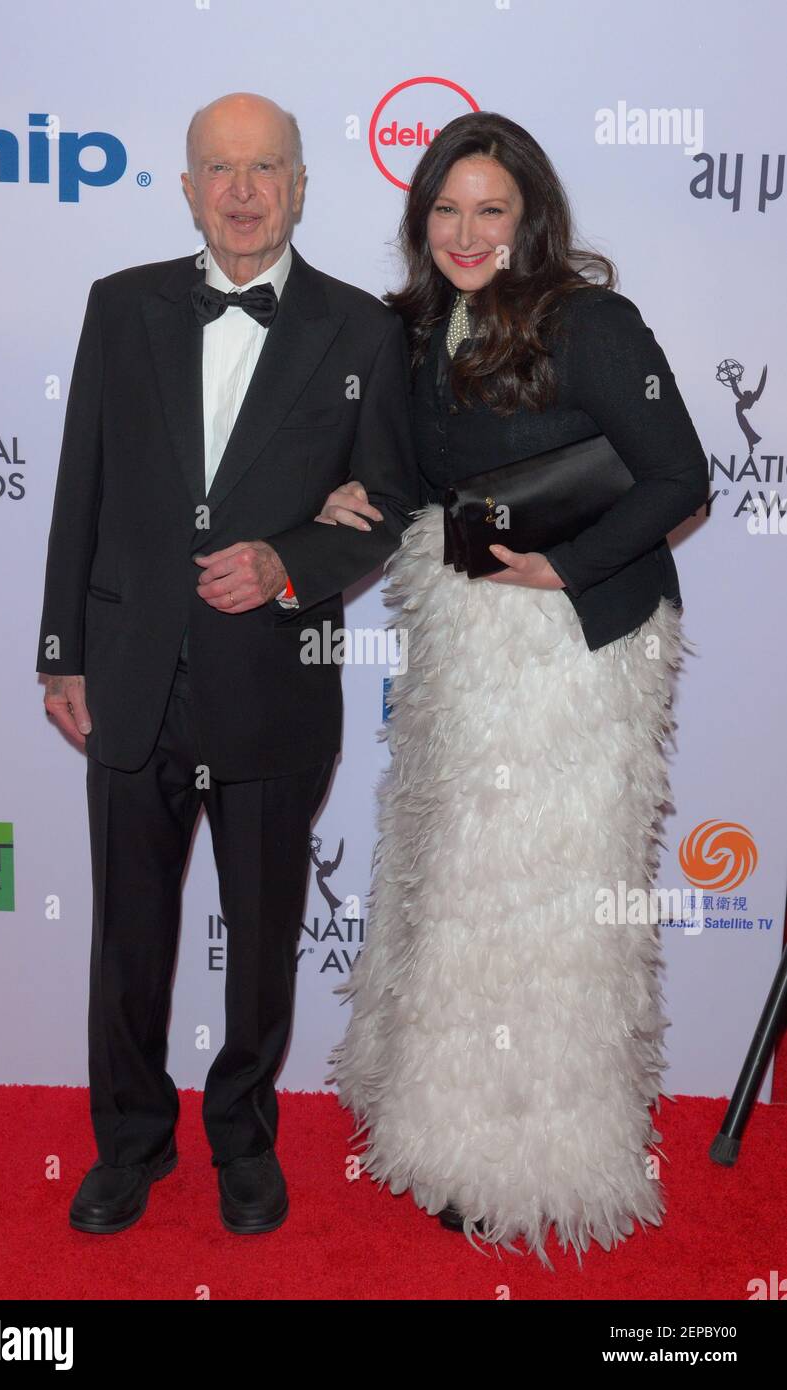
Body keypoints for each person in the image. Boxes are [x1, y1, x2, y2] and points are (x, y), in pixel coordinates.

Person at [322, 111, 708, 1267]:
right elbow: (407, 479)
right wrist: (351, 499)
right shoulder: (413, 330)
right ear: (419, 219)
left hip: (579, 653)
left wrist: (563, 565)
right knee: (455, 890)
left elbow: (680, 476)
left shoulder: (589, 322)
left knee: (543, 907)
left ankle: (534, 1157)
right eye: (445, 209)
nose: (466, 231)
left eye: (490, 209)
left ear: (529, 217)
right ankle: (436, 1125)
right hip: (467, 651)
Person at [36, 92, 419, 1236]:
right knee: (128, 940)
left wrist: (287, 560)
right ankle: (129, 1143)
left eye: (266, 168)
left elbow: (388, 502)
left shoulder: (361, 332)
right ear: (188, 186)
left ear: (302, 185)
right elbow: (80, 488)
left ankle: (242, 1138)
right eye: (220, 168)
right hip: (131, 671)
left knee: (260, 944)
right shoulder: (120, 307)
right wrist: (64, 648)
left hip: (272, 676)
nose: (243, 190)